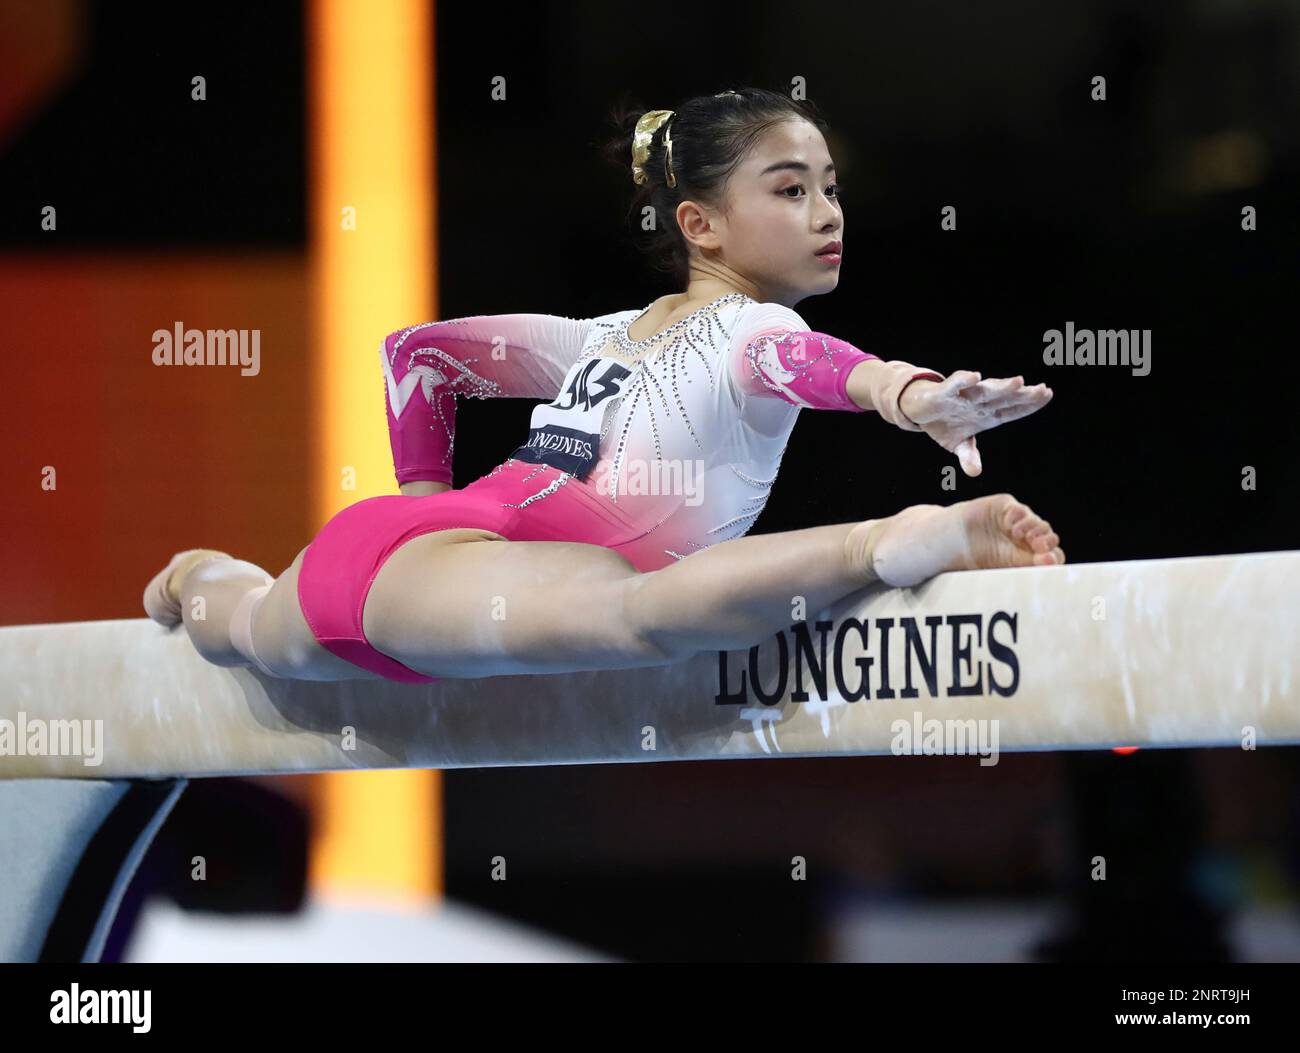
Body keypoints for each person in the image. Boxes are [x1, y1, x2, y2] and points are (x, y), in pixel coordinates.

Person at [142, 87, 1063, 684]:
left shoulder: (597, 337)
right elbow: (821, 366)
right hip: (472, 576)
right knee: (644, 613)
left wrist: (427, 509)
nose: (828, 214)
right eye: (790, 191)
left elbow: (416, 355)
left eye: (830, 186)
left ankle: (198, 576)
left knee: (249, 627)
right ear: (700, 223)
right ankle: (899, 541)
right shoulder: (754, 325)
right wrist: (914, 395)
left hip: (393, 562)